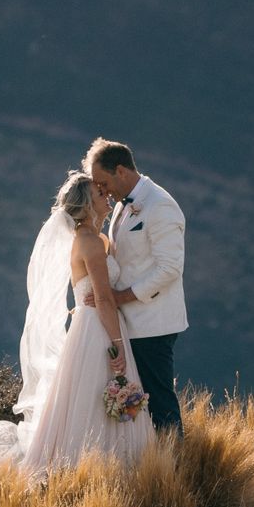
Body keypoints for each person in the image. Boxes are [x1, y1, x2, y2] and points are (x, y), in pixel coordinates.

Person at [0, 170, 158, 474]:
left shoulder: (100, 240)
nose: (106, 197)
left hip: (97, 323)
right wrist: (118, 345)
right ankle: (90, 466)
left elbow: (102, 293)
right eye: (99, 195)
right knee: (94, 394)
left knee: (95, 395)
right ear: (87, 205)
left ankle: (110, 465)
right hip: (98, 329)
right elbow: (103, 298)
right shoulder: (89, 242)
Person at [80, 138, 186, 437]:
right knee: (143, 406)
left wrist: (117, 298)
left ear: (122, 171)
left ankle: (175, 470)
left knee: (160, 401)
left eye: (103, 182)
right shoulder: (120, 207)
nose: (102, 190)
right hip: (128, 321)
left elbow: (169, 269)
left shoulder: (160, 205)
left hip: (153, 321)